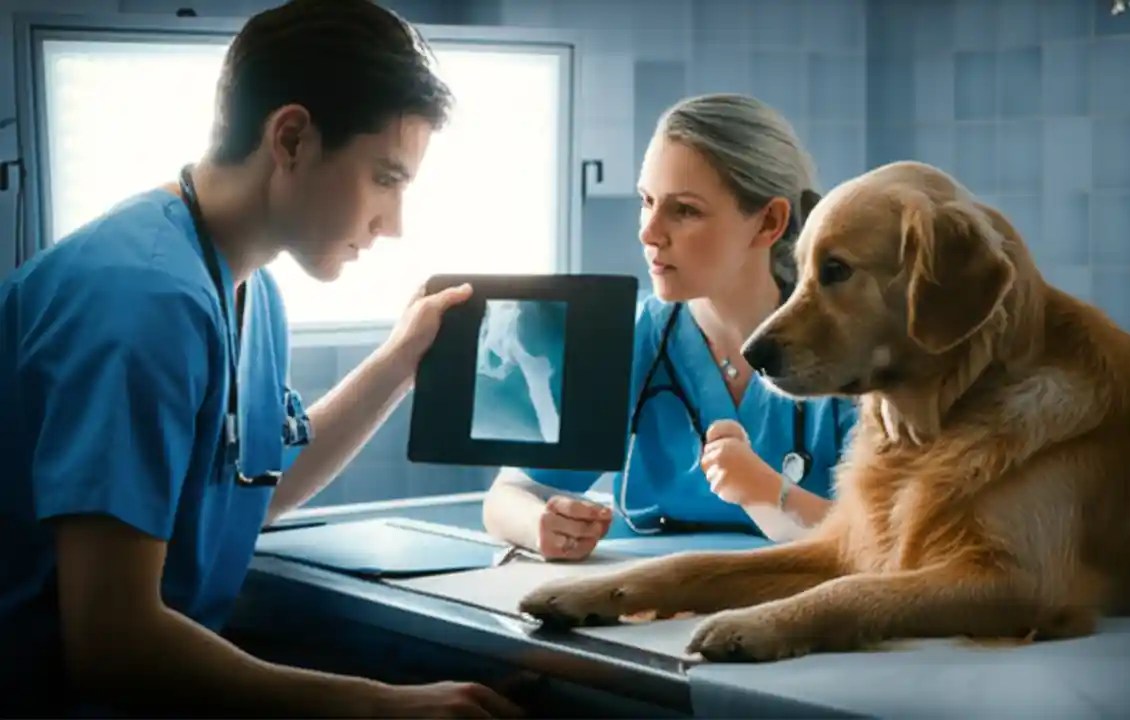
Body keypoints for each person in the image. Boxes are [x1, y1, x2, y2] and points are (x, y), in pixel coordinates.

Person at [0, 1, 524, 717]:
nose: (394, 224)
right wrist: (382, 708)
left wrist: (402, 360)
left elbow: (255, 487)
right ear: (292, 138)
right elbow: (111, 642)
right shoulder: (140, 300)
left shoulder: (253, 290)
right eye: (386, 178)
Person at [482, 94, 859, 561]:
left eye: (684, 210)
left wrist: (768, 493)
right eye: (647, 201)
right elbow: (508, 495)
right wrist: (541, 524)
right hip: (642, 597)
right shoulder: (625, 340)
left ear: (769, 222)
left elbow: (888, 540)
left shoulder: (852, 353)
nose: (649, 232)